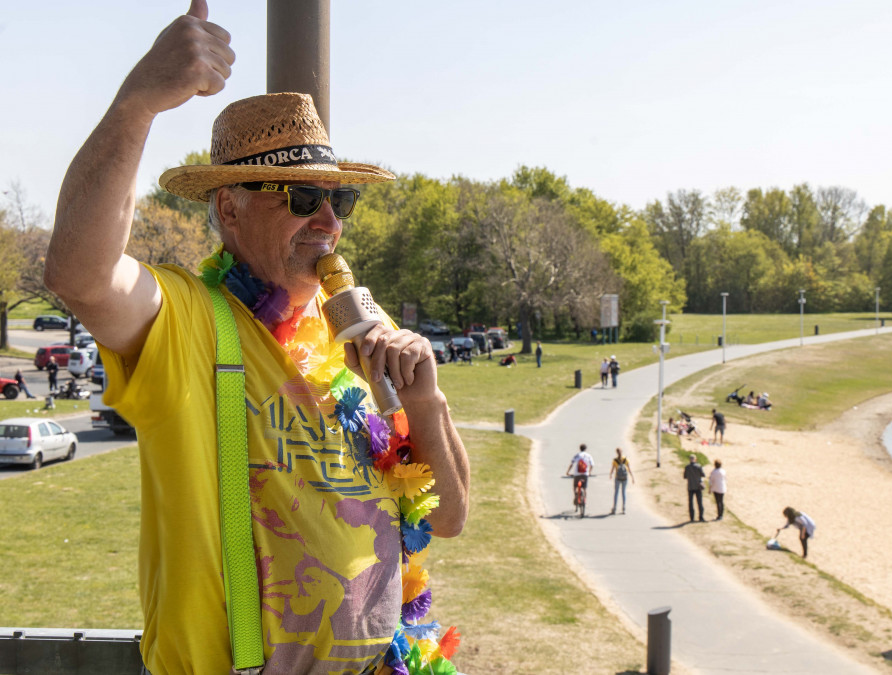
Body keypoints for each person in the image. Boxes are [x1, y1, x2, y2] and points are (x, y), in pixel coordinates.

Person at [43, 6, 470, 672]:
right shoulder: (188, 320)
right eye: (301, 198)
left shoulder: (358, 327)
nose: (328, 220)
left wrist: (426, 403)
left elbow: (447, 519)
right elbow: (80, 274)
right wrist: (138, 103)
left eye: (340, 200)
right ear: (231, 208)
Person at [566, 443, 595, 513]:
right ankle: (585, 501)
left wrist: (567, 472)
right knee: (584, 488)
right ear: (585, 449)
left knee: (575, 487)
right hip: (585, 474)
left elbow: (572, 463)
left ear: (580, 448)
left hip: (577, 474)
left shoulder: (577, 455)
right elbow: (592, 464)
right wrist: (589, 472)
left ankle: (576, 496)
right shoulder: (588, 456)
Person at [609, 447, 635, 514]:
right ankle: (624, 508)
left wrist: (611, 475)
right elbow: (629, 469)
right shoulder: (625, 459)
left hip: (617, 477)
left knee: (616, 493)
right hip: (625, 478)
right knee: (623, 492)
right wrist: (632, 477)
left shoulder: (615, 460)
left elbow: (612, 469)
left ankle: (614, 508)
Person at [683, 454, 705, 522]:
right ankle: (701, 517)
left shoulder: (687, 467)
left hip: (690, 486)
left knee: (691, 503)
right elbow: (703, 474)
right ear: (695, 459)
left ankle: (692, 518)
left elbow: (685, 476)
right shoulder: (698, 466)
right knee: (699, 502)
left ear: (690, 459)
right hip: (698, 486)